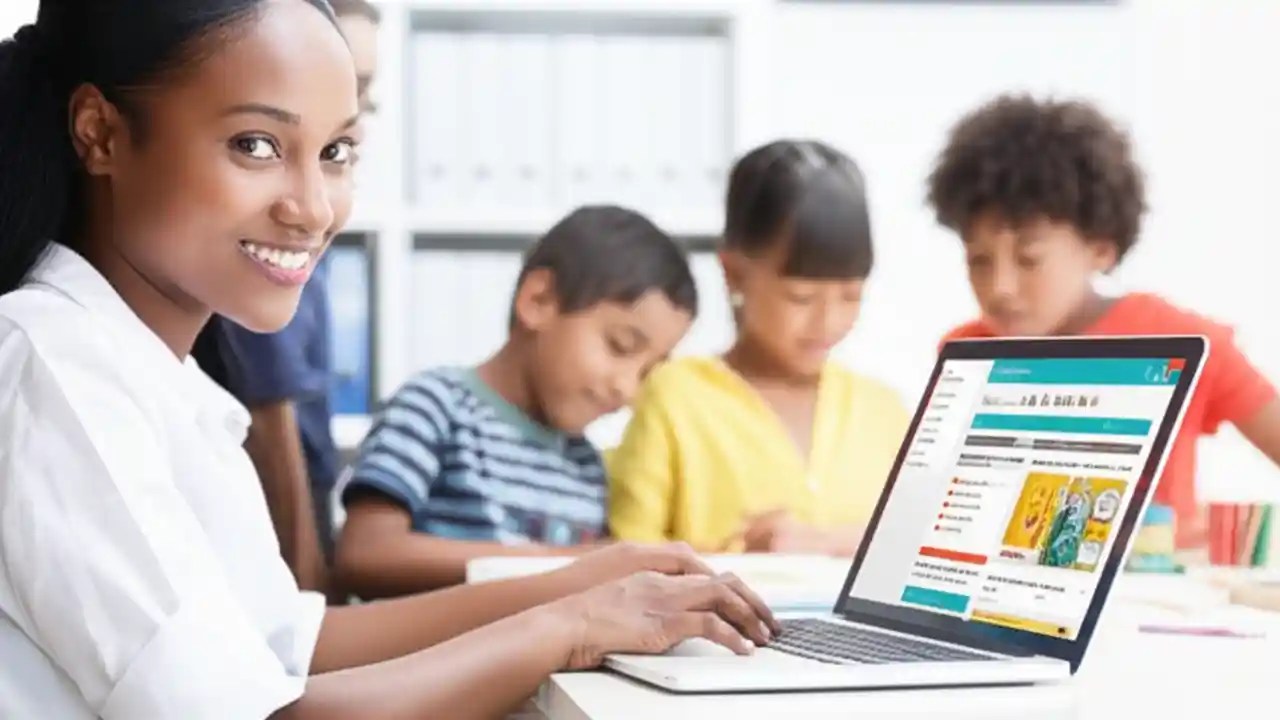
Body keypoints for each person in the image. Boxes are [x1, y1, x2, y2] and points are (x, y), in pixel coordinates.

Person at [0, 3, 777, 718]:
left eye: (336, 151)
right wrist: (569, 627)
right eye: (256, 145)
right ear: (100, 133)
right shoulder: (56, 364)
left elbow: (293, 646)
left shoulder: (166, 378)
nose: (313, 207)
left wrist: (579, 583)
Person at [927, 94, 1280, 548]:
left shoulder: (1181, 339)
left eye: (1029, 260)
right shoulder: (965, 352)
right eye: (978, 260)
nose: (1001, 288)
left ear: (1100, 247)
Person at [336, 205, 699, 597]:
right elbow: (364, 555)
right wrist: (559, 564)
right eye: (620, 346)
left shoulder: (584, 465)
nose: (628, 389)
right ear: (538, 300)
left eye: (648, 372)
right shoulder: (435, 405)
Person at [607, 140, 911, 555]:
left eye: (850, 296)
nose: (829, 321)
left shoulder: (884, 411)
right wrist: (736, 556)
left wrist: (827, 543)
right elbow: (623, 561)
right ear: (734, 273)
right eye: (800, 297)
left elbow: (928, 555)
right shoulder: (676, 397)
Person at [190, 0, 383, 597]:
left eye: (363, 91)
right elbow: (272, 416)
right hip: (282, 507)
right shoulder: (249, 251)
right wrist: (306, 578)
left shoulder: (304, 227)